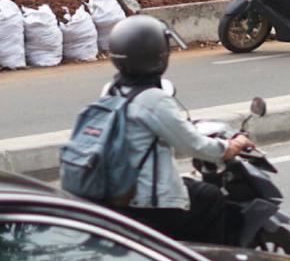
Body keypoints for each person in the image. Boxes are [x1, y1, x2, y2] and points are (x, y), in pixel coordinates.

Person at [106, 15, 255, 245]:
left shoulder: (112, 90)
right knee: (210, 197)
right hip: (147, 200)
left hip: (116, 190)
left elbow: (157, 128)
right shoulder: (152, 99)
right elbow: (194, 145)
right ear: (157, 55)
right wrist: (228, 147)